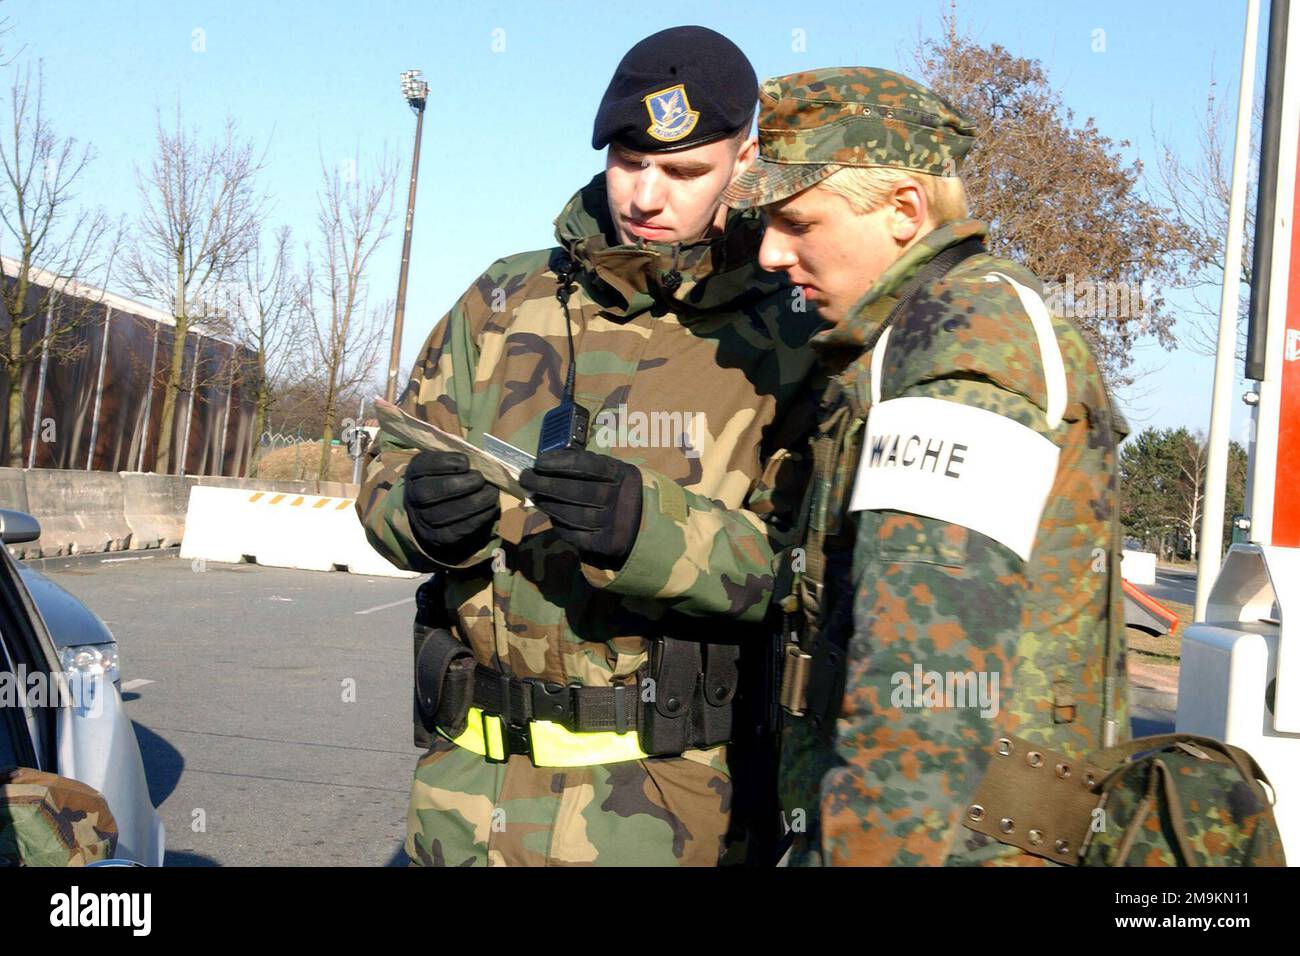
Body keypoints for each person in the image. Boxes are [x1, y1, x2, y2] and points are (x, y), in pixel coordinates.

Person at [356, 26, 823, 867]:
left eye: (684, 172)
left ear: (745, 159)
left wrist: (653, 535)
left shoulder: (789, 334)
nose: (646, 196)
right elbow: (387, 468)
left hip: (664, 818)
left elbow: (805, 573)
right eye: (628, 162)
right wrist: (413, 513)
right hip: (465, 805)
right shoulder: (501, 298)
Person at [723, 67, 1130, 866]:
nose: (771, 252)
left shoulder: (960, 341)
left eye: (798, 221)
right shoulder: (909, 339)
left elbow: (922, 706)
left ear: (905, 210)